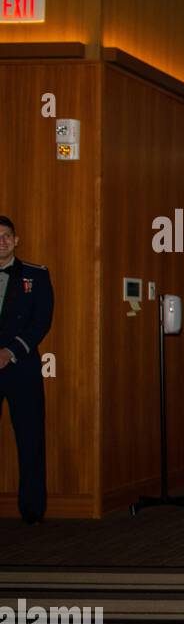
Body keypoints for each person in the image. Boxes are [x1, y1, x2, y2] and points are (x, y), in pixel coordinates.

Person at [0, 216, 53, 524]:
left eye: (7, 236)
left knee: (30, 440)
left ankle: (32, 509)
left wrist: (10, 352)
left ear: (16, 240)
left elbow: (41, 321)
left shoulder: (37, 275)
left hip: (22, 367)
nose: (2, 241)